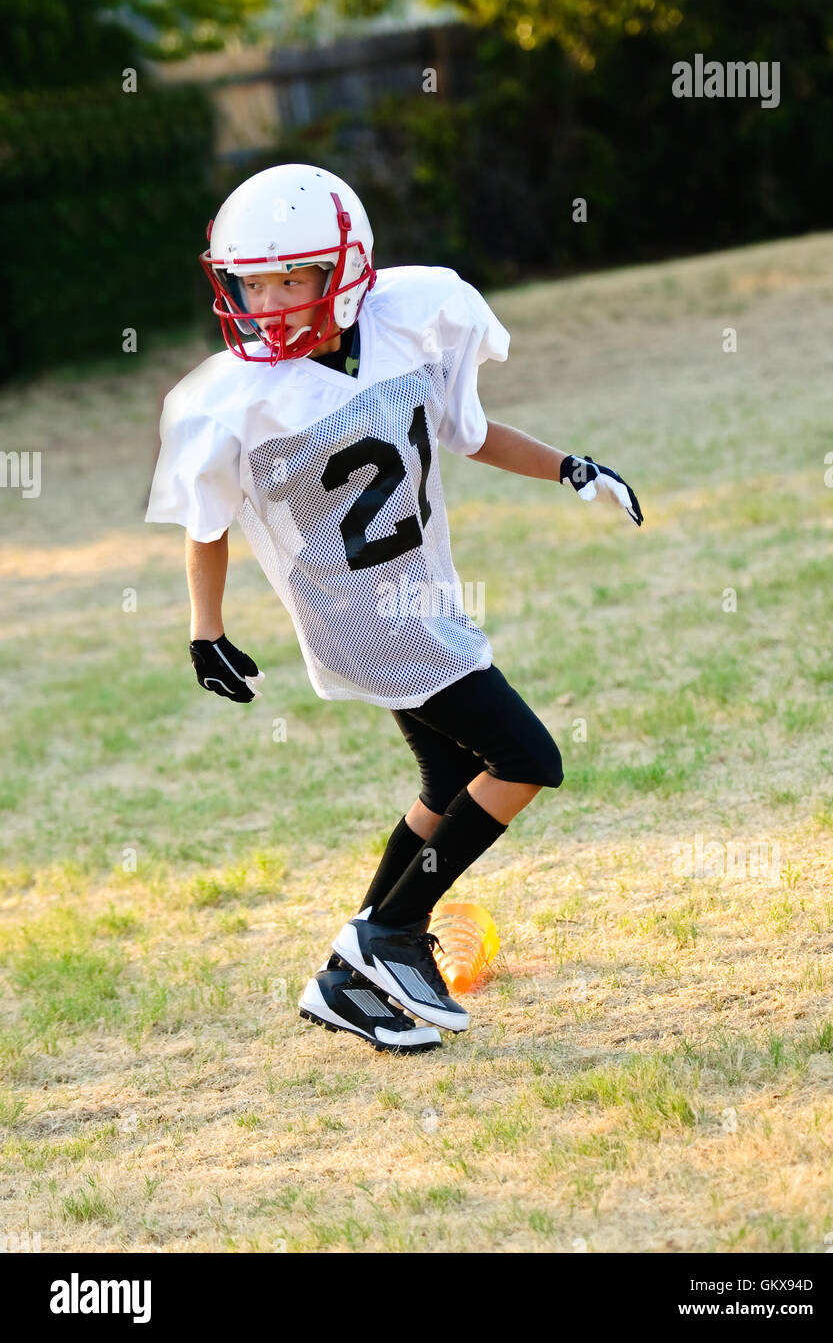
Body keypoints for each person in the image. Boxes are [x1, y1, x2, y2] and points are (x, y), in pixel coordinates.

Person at [145, 163, 643, 1056]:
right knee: (527, 758)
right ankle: (389, 933)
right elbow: (207, 521)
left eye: (288, 279)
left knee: (448, 786)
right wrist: (204, 629)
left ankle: (343, 981)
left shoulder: (409, 318)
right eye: (249, 283)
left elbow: (469, 431)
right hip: (361, 615)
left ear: (344, 269)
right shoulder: (234, 395)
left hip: (418, 593)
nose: (265, 303)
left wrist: (570, 464)